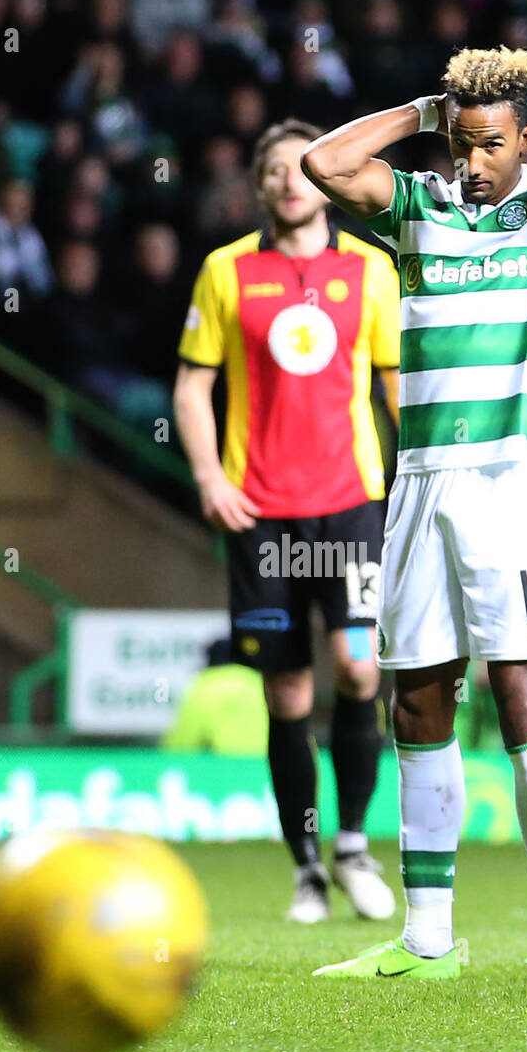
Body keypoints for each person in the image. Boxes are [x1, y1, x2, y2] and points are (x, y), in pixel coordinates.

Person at [301, 45, 527, 983]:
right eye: (462, 147)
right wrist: (423, 110)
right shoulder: (420, 210)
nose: (472, 164)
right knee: (414, 698)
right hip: (421, 483)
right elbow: (323, 166)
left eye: (490, 146)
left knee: (524, 693)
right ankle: (427, 942)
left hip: (511, 486)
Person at [174, 118, 401, 924]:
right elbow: (192, 386)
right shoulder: (225, 271)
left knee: (360, 669)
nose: (288, 181)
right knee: (288, 689)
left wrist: (412, 480)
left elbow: (394, 383)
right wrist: (208, 474)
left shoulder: (372, 271)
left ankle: (352, 847)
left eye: (301, 168)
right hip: (261, 512)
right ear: (261, 185)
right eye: (273, 170)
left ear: (325, 180)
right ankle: (306, 870)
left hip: (350, 504)